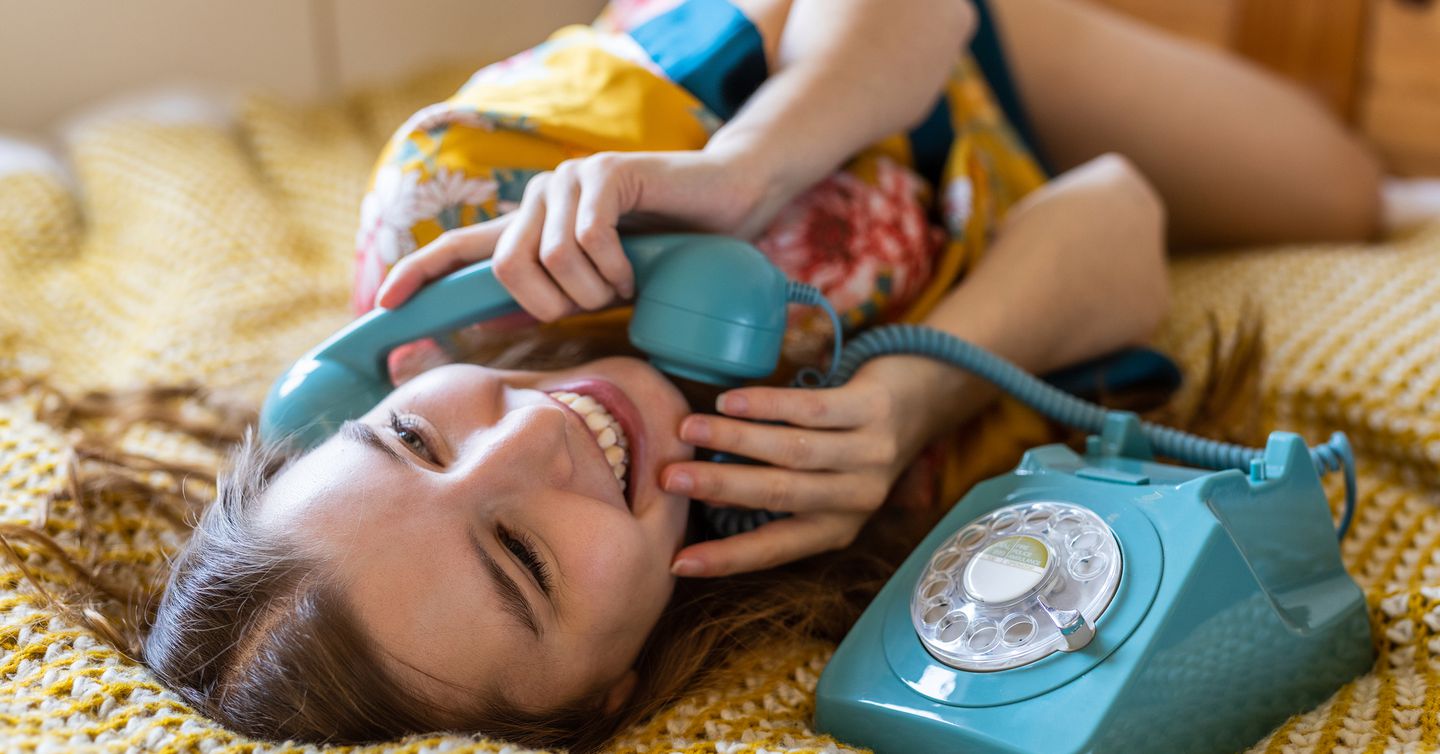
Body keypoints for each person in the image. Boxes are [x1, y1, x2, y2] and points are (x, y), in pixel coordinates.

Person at [121, 0, 1392, 749]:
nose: (531, 439)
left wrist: (746, 175)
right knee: (1347, 193)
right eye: (523, 559)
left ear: (346, 394)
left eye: (411, 439)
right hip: (1011, 186)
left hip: (916, 53)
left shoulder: (470, 195)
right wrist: (913, 401)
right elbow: (1113, 221)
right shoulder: (807, 510)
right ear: (608, 688)